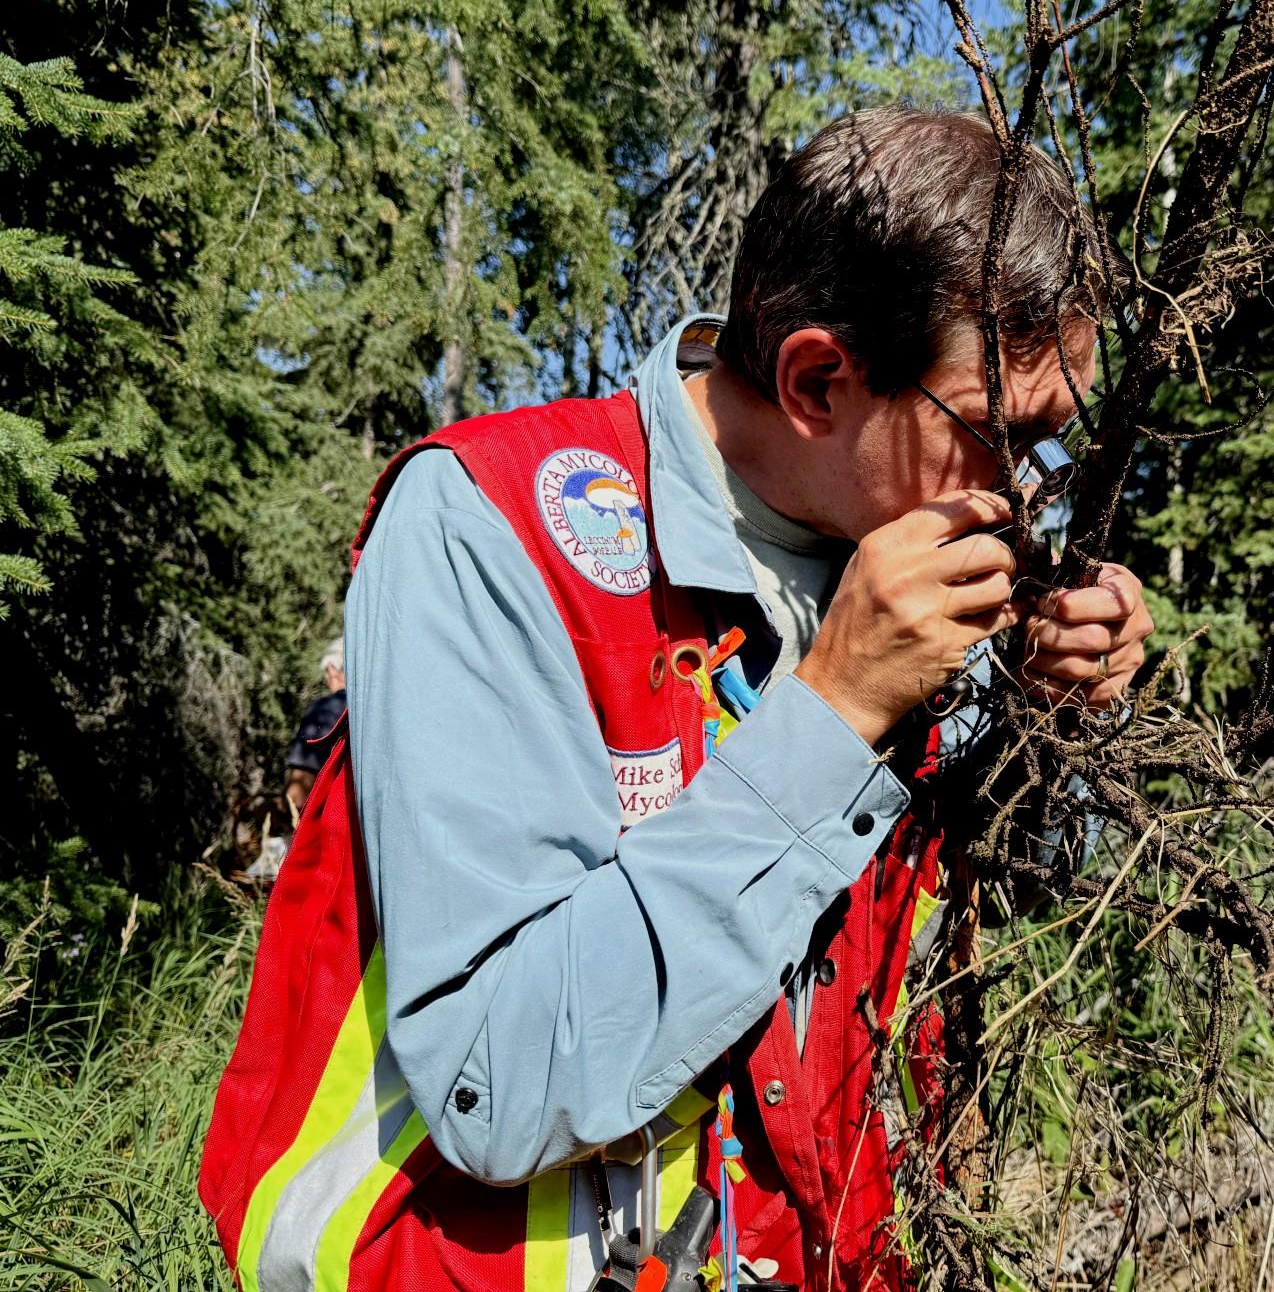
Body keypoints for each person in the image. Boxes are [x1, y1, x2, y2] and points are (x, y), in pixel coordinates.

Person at [198, 107, 1155, 1292]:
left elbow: (1009, 911)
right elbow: (496, 1088)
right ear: (816, 377)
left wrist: (1053, 721)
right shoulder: (487, 529)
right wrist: (834, 710)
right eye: (1005, 435)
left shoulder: (912, 560)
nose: (1030, 488)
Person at [281, 638, 346, 819]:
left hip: (335, 822)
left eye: (327, 670)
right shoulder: (382, 708)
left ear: (333, 670)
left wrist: (286, 812)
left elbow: (300, 786)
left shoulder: (325, 708)